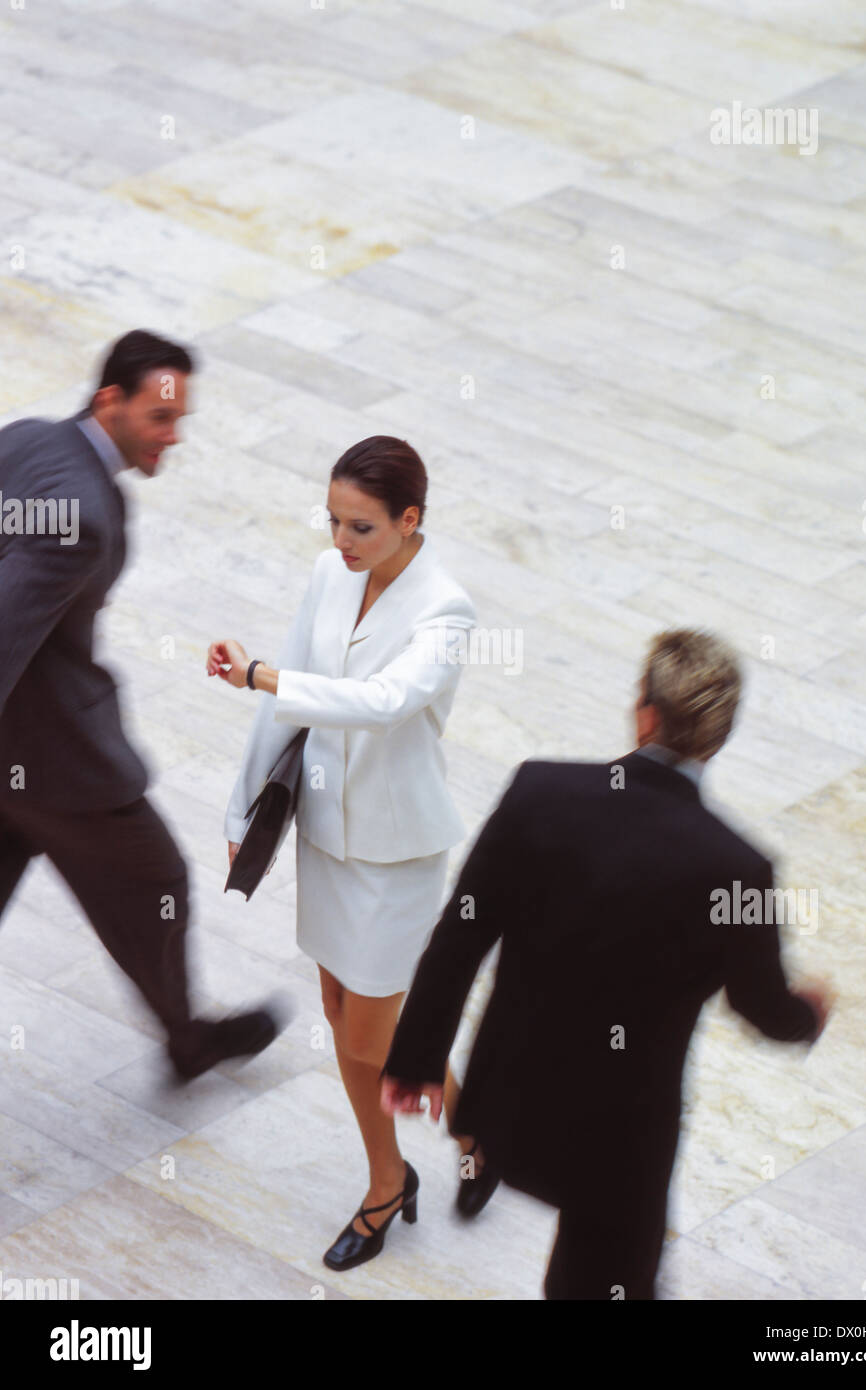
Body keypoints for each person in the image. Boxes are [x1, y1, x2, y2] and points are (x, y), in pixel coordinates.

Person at [380, 628, 834, 1299]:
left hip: (508, 1101)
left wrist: (416, 1060)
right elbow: (761, 1007)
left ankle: (493, 1182)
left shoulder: (540, 793)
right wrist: (808, 1013)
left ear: (643, 711)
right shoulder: (737, 869)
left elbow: (460, 937)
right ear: (718, 736)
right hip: (621, 1141)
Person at [210, 435, 479, 1271]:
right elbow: (296, 689)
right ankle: (431, 1152)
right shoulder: (331, 574)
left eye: (361, 527)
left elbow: (382, 701)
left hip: (396, 853)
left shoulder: (447, 610)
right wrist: (243, 798)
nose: (341, 542)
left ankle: (408, 1165)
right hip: (326, 827)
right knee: (342, 1013)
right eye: (333, 520)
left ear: (410, 520)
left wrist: (261, 676)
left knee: (367, 1040)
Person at [0, 330, 281, 1083]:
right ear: (109, 402)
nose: (173, 436)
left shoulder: (27, 440)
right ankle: (187, 1042)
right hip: (59, 764)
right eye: (160, 418)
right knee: (156, 881)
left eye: (178, 418)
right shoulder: (84, 514)